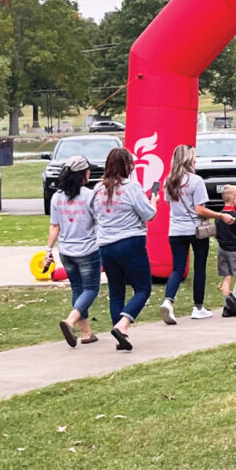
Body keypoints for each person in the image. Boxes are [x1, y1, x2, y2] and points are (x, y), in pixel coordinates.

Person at [89, 147, 157, 351]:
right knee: (143, 288)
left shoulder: (98, 188)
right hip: (130, 241)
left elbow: (94, 214)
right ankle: (123, 324)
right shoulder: (132, 187)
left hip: (106, 245)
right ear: (127, 166)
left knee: (116, 291)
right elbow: (149, 215)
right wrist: (153, 201)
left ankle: (121, 337)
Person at [158, 144, 233, 324]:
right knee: (199, 267)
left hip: (175, 230)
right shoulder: (195, 180)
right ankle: (198, 307)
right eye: (194, 157)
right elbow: (200, 209)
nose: (195, 159)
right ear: (188, 159)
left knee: (177, 268)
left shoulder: (168, 181)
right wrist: (220, 215)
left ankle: (168, 300)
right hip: (195, 230)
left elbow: (171, 205)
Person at [46, 155, 100, 348]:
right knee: (91, 289)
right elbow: (99, 221)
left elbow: (54, 227)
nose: (89, 173)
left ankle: (86, 333)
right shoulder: (89, 195)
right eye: (88, 170)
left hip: (66, 251)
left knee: (77, 289)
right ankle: (70, 321)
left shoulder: (57, 197)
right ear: (82, 175)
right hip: (87, 250)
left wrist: (48, 251)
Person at [214, 184, 236, 317]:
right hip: (235, 250)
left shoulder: (219, 217)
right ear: (233, 198)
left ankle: (226, 305)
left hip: (222, 249)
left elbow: (217, 234)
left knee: (227, 277)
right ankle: (233, 296)